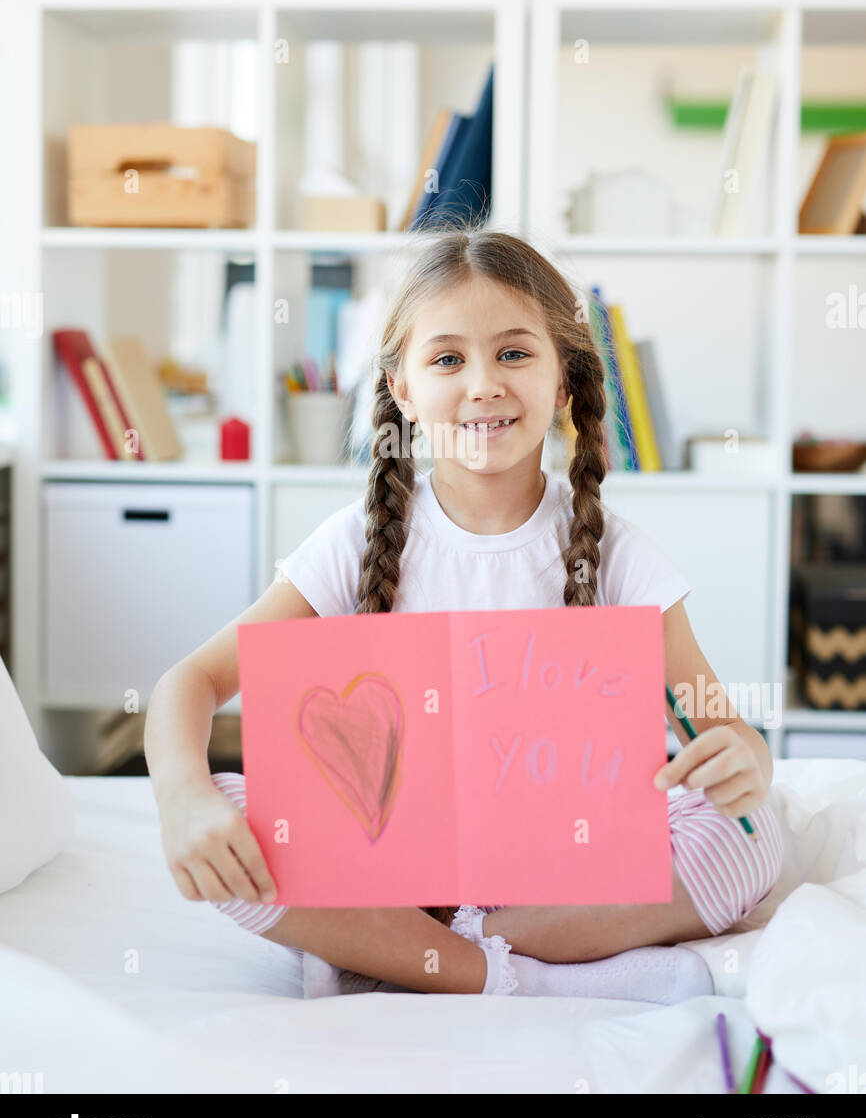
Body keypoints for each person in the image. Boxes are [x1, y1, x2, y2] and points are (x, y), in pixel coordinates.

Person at [145, 225, 783, 1000]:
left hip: (567, 871)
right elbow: (193, 680)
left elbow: (715, 719)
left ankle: (441, 956)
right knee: (235, 810)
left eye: (514, 353)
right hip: (405, 868)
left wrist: (747, 758)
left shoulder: (618, 552)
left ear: (562, 378)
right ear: (405, 390)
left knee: (749, 835)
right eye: (448, 359)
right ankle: (504, 972)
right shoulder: (354, 543)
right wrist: (183, 800)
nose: (483, 383)